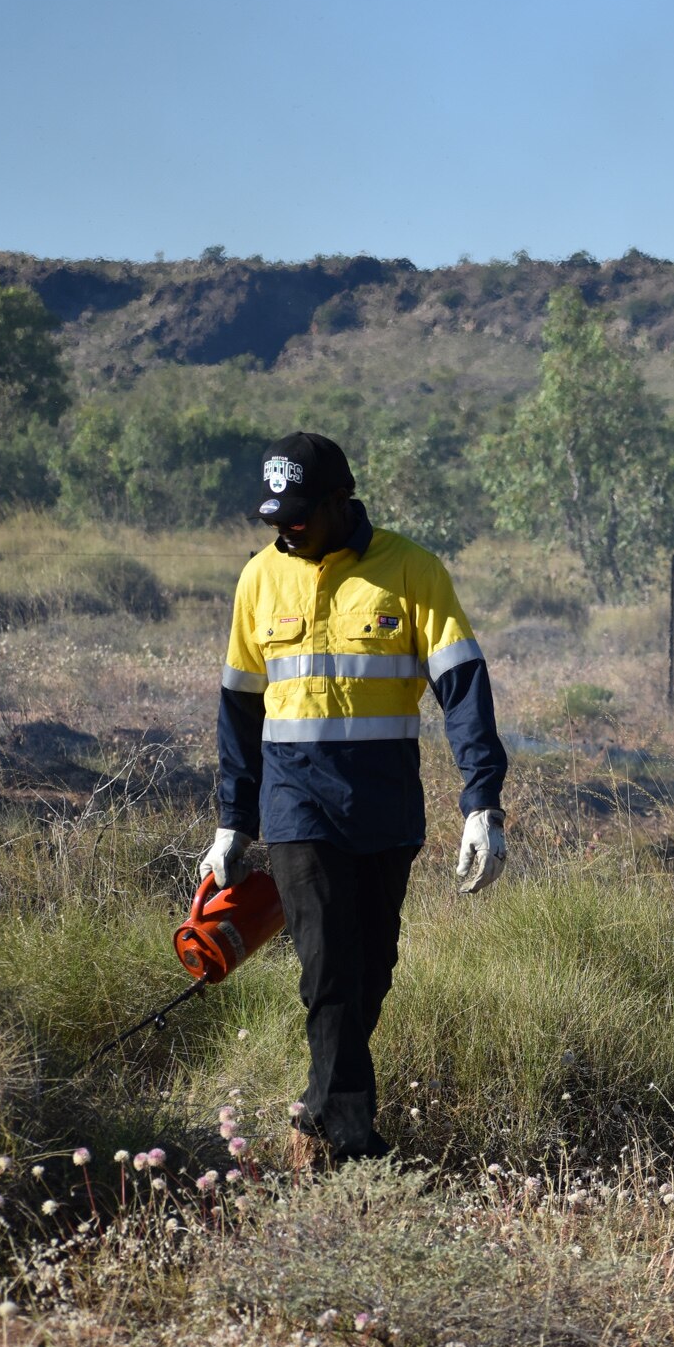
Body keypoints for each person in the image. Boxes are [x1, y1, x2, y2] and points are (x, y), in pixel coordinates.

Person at [197, 432, 508, 1166]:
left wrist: (481, 803)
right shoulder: (258, 581)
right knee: (329, 963)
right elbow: (239, 708)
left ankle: (317, 1107)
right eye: (276, 516)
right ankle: (353, 1143)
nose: (286, 529)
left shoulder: (412, 571)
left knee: (371, 970)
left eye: (300, 514)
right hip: (295, 806)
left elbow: (462, 688)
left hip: (386, 810)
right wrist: (233, 823)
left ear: (342, 502)